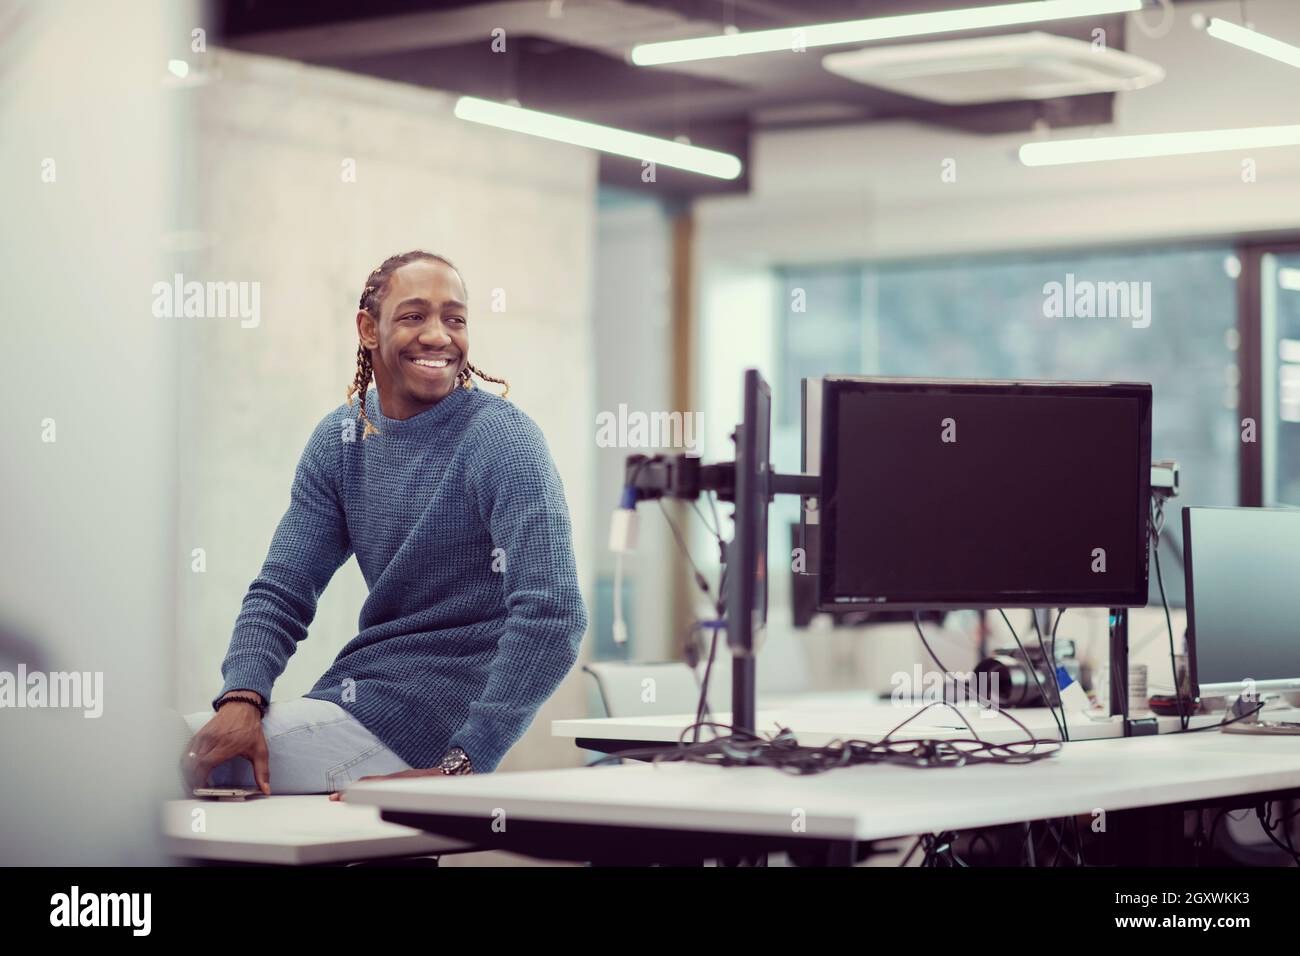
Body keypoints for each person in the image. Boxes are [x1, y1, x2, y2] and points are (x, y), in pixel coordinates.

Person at [180, 250, 588, 797]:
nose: (439, 336)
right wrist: (242, 696)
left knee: (160, 761)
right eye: (414, 316)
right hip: (355, 697)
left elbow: (554, 613)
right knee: (175, 750)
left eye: (455, 318)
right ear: (368, 329)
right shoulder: (342, 440)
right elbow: (283, 589)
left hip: (431, 728)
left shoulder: (503, 441)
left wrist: (463, 765)